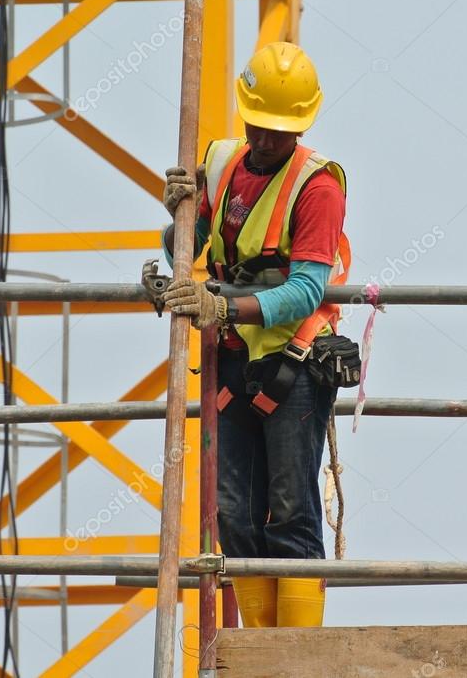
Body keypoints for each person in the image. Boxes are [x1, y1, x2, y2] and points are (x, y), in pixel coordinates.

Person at [156, 42, 349, 628]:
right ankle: (261, 653)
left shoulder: (317, 187)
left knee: (289, 514)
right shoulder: (221, 164)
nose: (265, 140)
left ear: (300, 127)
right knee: (233, 515)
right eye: (259, 126)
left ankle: (297, 659)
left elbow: (307, 290)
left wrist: (223, 309)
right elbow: (196, 249)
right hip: (234, 365)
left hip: (293, 365)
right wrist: (178, 220)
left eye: (279, 132)